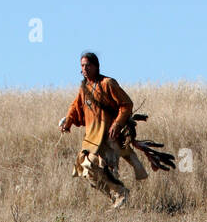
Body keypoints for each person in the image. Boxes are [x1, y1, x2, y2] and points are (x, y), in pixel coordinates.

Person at [59, 53, 147, 208]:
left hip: (109, 137)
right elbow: (75, 107)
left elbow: (126, 104)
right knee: (86, 170)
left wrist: (117, 124)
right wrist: (68, 121)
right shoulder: (84, 88)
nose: (84, 69)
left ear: (96, 66)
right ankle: (116, 198)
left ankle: (121, 194)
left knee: (103, 167)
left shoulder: (108, 83)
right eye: (82, 66)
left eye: (88, 65)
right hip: (92, 138)